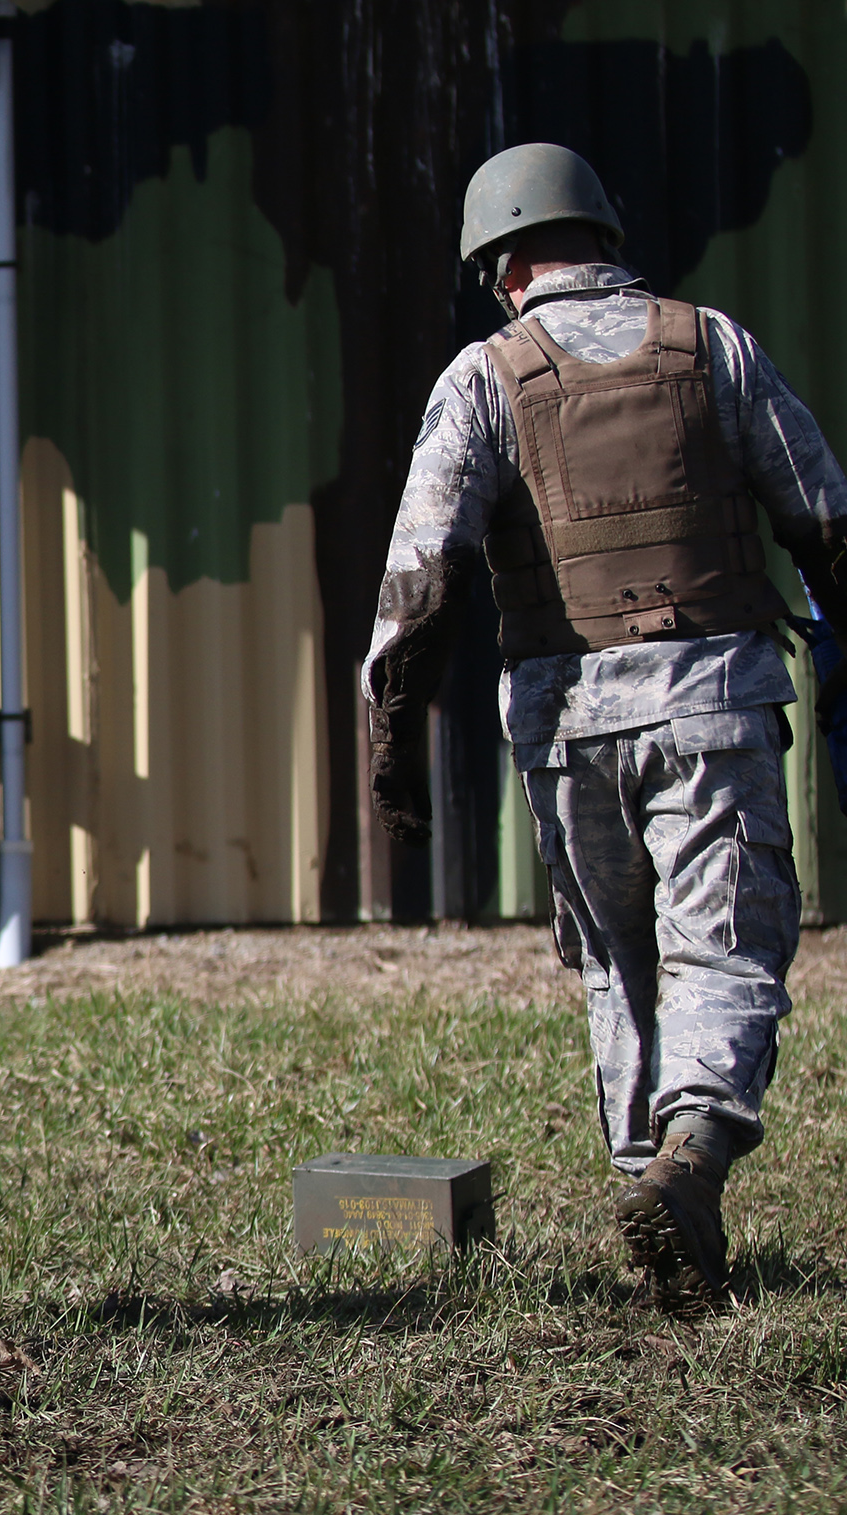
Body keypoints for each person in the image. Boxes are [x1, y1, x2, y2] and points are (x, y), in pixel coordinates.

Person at [363, 143, 847, 1306]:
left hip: (570, 725)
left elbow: (422, 577)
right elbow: (825, 517)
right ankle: (692, 1161)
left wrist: (392, 741)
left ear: (502, 264)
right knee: (722, 946)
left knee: (617, 963)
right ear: (605, 235)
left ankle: (649, 1182)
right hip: (715, 702)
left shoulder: (484, 376)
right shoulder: (713, 346)